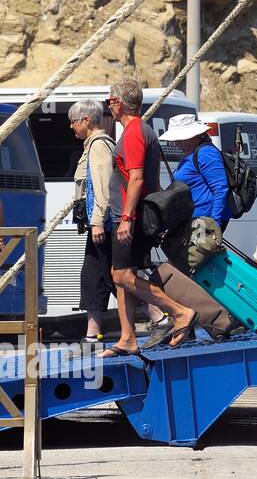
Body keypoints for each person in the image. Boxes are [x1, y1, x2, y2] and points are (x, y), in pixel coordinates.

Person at [101, 80, 197, 356]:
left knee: (120, 275)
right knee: (124, 275)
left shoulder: (133, 133)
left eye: (110, 101)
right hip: (135, 214)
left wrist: (127, 218)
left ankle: (179, 312)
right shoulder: (141, 131)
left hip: (132, 215)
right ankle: (128, 337)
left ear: (118, 103)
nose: (109, 106)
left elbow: (137, 178)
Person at [69, 99, 115, 344]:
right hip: (99, 225)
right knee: (92, 277)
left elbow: (103, 188)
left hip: (104, 226)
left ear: (86, 120)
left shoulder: (98, 147)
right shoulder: (92, 146)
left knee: (116, 278)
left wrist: (97, 221)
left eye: (74, 122)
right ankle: (92, 333)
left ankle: (160, 315)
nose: (72, 127)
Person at [161, 114, 230, 228]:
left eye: (179, 138)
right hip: (190, 220)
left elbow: (220, 188)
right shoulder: (189, 155)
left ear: (194, 135)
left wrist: (214, 224)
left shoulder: (206, 153)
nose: (175, 142)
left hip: (204, 222)